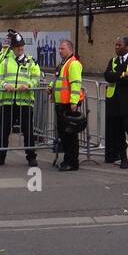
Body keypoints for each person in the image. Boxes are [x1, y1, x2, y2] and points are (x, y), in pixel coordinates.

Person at [0, 31, 40, 167]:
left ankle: (31, 157)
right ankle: (0, 157)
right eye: (17, 47)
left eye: (22, 47)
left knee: (28, 132)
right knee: (3, 131)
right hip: (7, 102)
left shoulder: (31, 62)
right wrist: (5, 85)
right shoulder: (5, 62)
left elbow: (37, 78)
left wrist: (29, 85)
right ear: (12, 48)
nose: (20, 49)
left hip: (24, 102)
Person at [103, 36, 128, 168]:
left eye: (119, 45)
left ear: (127, 47)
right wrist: (123, 75)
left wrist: (118, 76)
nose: (116, 47)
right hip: (115, 101)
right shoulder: (113, 61)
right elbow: (107, 76)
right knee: (118, 130)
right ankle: (123, 156)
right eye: (115, 45)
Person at [54, 39, 85, 171]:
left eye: (62, 48)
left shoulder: (73, 64)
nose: (60, 51)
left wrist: (73, 102)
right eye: (59, 48)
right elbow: (59, 81)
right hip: (61, 103)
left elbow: (76, 84)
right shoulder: (64, 63)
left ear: (70, 49)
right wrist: (51, 87)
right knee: (64, 134)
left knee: (70, 135)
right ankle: (68, 159)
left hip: (68, 105)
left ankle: (72, 162)